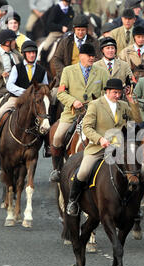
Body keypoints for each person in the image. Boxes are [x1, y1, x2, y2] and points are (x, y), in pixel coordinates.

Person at [65, 78, 144, 216]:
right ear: (107, 91)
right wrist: (100, 139)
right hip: (99, 148)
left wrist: (132, 101)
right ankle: (73, 201)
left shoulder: (123, 105)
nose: (117, 95)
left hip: (120, 149)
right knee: (83, 172)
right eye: (115, 93)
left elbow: (138, 120)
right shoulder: (95, 105)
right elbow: (86, 127)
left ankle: (136, 204)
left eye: (119, 93)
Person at [49, 43, 108, 182]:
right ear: (81, 56)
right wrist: (73, 102)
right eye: (89, 56)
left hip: (95, 114)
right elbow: (61, 93)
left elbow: (107, 94)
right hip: (72, 113)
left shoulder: (102, 72)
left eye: (93, 56)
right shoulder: (68, 71)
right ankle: (57, 169)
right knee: (57, 137)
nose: (92, 58)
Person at [0, 41, 48, 152]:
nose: (32, 55)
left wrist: (40, 94)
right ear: (24, 54)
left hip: (36, 101)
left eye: (34, 53)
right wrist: (25, 93)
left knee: (47, 118)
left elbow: (45, 86)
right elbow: (10, 85)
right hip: (16, 99)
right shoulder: (17, 68)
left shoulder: (42, 70)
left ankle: (48, 145)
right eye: (29, 53)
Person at [52, 14, 100, 82]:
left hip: (89, 77)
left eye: (83, 30)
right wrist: (65, 73)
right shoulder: (66, 41)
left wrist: (88, 71)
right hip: (68, 78)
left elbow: (98, 58)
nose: (80, 33)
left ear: (87, 29)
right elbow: (56, 59)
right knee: (55, 92)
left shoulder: (94, 42)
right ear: (74, 29)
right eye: (78, 30)